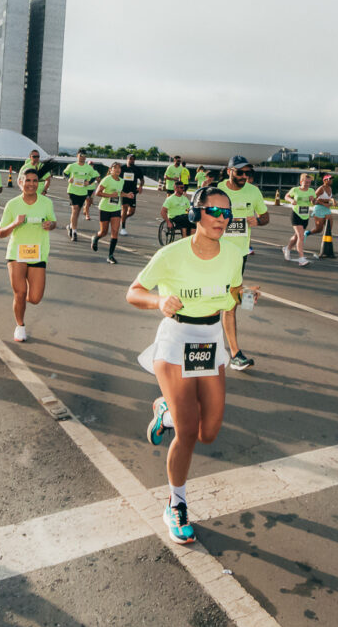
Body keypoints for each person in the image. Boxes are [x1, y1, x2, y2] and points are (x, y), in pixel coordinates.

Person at [128, 186, 253, 545]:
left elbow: (231, 294)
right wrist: (158, 301)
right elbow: (133, 292)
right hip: (176, 339)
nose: (221, 219)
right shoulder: (171, 254)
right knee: (187, 432)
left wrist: (243, 296)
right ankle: (176, 503)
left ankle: (165, 411)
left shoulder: (232, 254)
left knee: (208, 431)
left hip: (210, 339)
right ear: (197, 212)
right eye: (214, 211)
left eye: (227, 214)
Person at [217, 156, 268, 371]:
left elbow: (265, 217)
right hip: (215, 252)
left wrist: (258, 220)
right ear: (229, 171)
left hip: (239, 255)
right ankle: (206, 346)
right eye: (240, 173)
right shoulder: (216, 191)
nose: (244, 177)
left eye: (248, 173)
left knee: (230, 304)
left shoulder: (253, 192)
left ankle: (235, 354)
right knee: (212, 300)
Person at [0, 168, 57, 342]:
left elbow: (53, 222)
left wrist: (50, 225)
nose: (31, 184)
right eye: (28, 180)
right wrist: (15, 223)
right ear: (21, 182)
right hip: (17, 252)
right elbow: (1, 233)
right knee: (20, 293)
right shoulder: (12, 204)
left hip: (38, 253)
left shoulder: (46, 202)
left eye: (34, 181)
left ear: (38, 183)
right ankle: (20, 326)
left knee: (35, 298)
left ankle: (22, 303)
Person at [91, 162, 128, 264]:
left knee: (115, 232)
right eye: (115, 168)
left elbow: (119, 192)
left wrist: (127, 195)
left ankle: (110, 256)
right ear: (111, 169)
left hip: (116, 209)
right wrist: (110, 195)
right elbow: (98, 193)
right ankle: (96, 238)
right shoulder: (107, 179)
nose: (118, 170)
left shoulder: (121, 181)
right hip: (104, 208)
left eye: (119, 168)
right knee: (104, 232)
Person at [63, 152, 99, 241]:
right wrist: (68, 179)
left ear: (85, 157)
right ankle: (74, 232)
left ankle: (70, 226)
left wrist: (89, 182)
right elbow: (65, 173)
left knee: (77, 211)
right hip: (72, 191)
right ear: (77, 156)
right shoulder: (72, 166)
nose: (82, 158)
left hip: (83, 192)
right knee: (75, 209)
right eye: (80, 156)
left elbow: (95, 176)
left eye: (84, 156)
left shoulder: (88, 168)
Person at [281, 174, 316, 266]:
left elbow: (314, 202)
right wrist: (291, 200)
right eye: (306, 182)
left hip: (305, 216)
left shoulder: (311, 191)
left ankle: (287, 248)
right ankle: (301, 258)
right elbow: (286, 196)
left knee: (297, 236)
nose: (307, 184)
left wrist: (313, 200)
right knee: (301, 236)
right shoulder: (295, 190)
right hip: (296, 214)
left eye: (309, 183)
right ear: (301, 182)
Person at [119, 154, 148, 236]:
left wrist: (140, 187)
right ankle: (123, 228)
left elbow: (142, 180)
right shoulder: (122, 168)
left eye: (133, 159)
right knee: (124, 208)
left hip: (133, 192)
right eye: (130, 159)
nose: (132, 160)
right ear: (127, 159)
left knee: (132, 212)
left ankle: (123, 219)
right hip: (124, 192)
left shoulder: (137, 169)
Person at [306, 174, 335, 239]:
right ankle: (307, 233)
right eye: (329, 179)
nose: (331, 181)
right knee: (319, 229)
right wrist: (323, 203)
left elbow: (327, 199)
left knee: (329, 228)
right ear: (324, 181)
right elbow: (313, 200)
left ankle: (326, 244)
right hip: (319, 209)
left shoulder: (330, 188)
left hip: (327, 209)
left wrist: (331, 202)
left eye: (331, 179)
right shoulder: (321, 189)